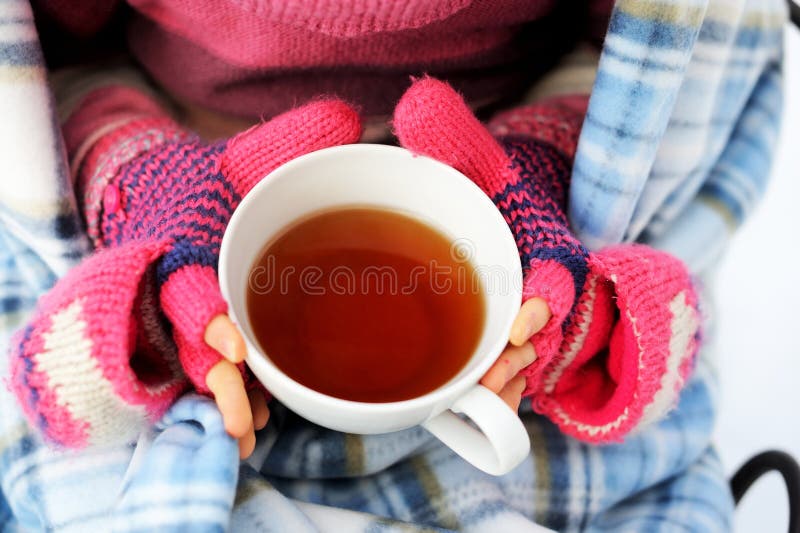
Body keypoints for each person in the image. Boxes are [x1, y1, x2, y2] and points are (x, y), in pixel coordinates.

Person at [0, 0, 787, 530]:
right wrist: (143, 180)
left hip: (511, 206)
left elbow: (639, 56)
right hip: (180, 206)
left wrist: (544, 162)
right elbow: (58, 56)